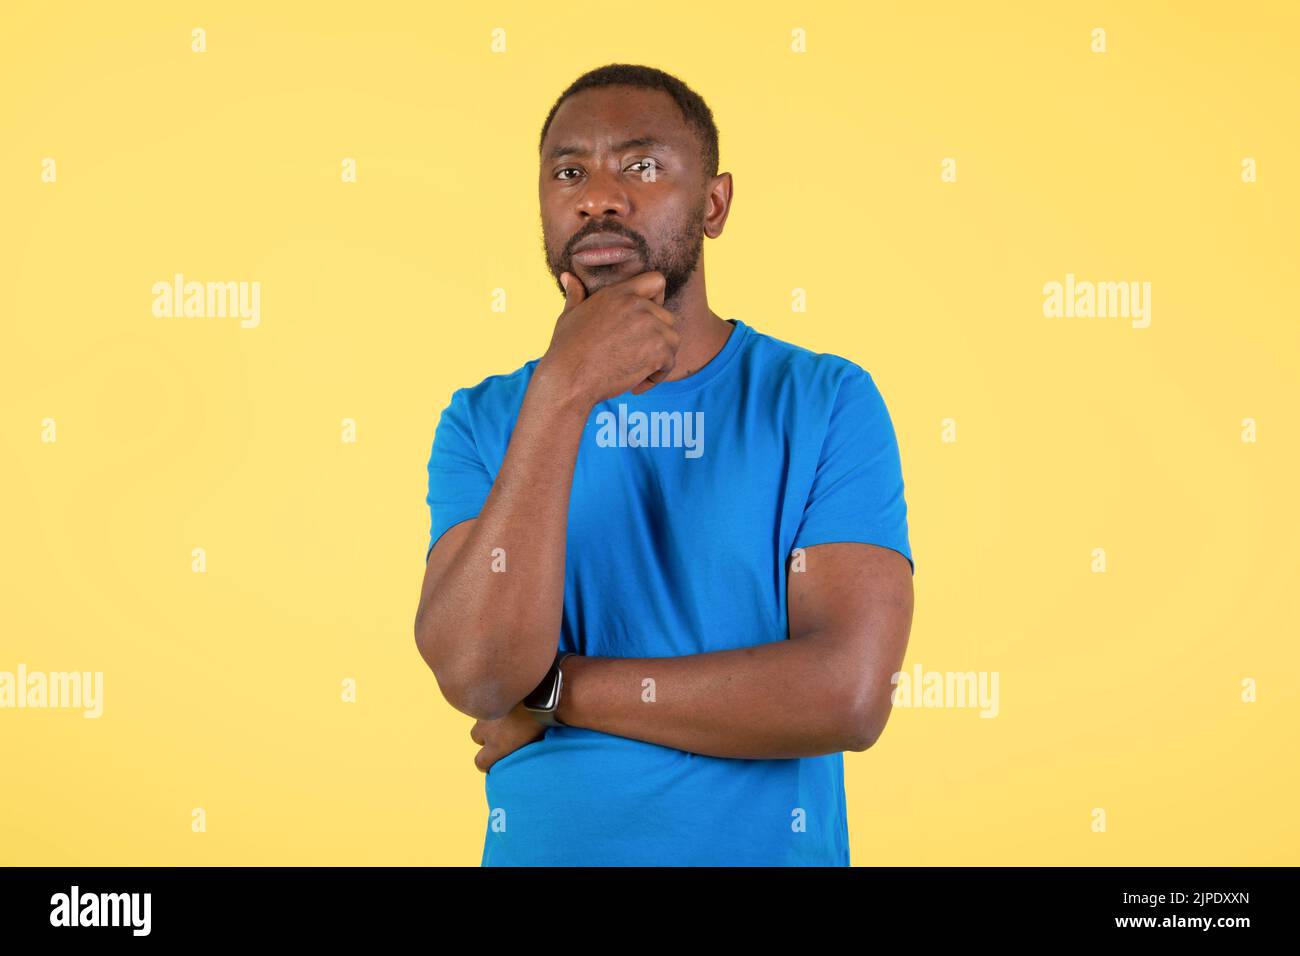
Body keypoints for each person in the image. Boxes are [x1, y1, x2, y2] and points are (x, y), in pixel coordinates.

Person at [414, 63, 915, 866]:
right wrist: (562, 395)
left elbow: (847, 694)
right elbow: (477, 677)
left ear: (713, 206)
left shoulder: (824, 399)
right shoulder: (484, 421)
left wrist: (553, 694)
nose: (599, 196)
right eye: (569, 171)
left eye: (640, 166)